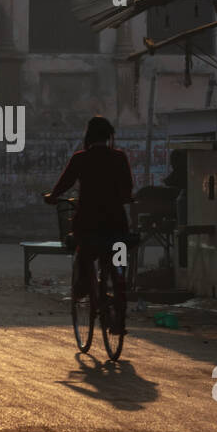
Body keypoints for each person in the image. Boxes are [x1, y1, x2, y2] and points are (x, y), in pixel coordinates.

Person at [43, 116, 134, 298]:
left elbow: (65, 183)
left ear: (89, 136)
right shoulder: (119, 157)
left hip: (88, 222)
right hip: (116, 222)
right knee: (119, 249)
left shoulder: (81, 158)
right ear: (109, 136)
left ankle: (83, 283)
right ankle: (120, 277)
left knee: (84, 251)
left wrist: (53, 196)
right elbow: (128, 187)